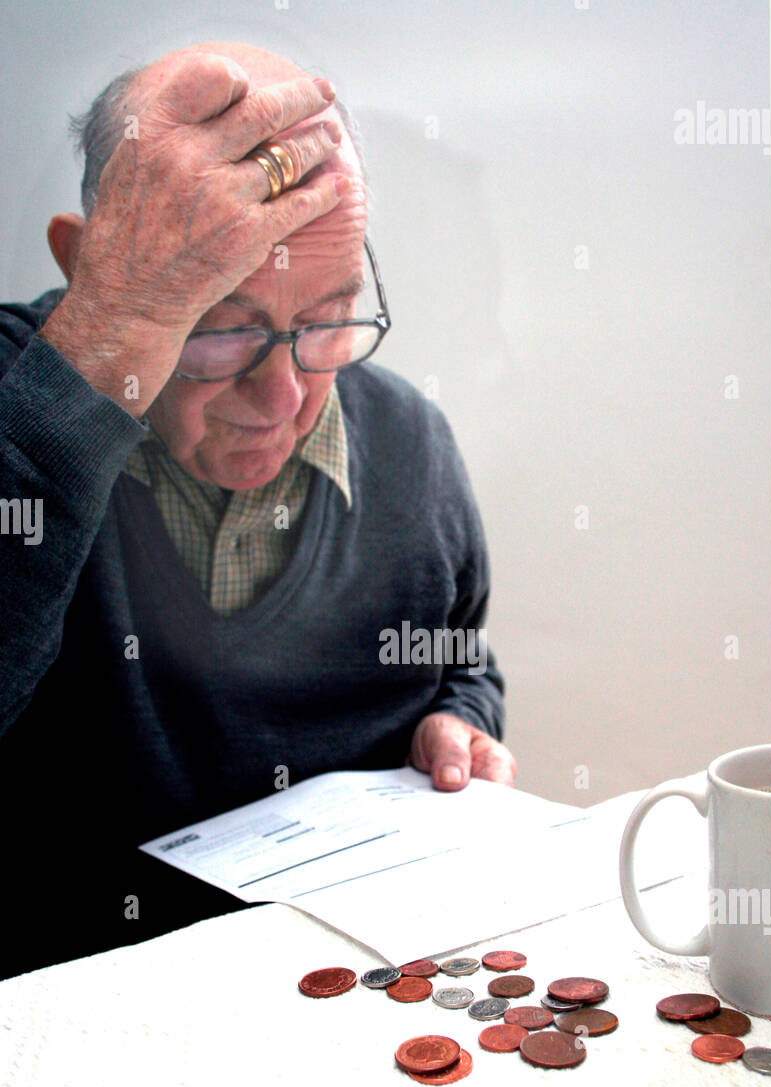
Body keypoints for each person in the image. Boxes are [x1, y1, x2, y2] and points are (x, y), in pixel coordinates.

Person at [0, 42, 515, 978]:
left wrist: (459, 722)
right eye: (217, 324)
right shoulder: (15, 401)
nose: (282, 396)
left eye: (325, 319)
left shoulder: (408, 437)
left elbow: (459, 663)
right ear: (90, 270)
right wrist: (104, 339)